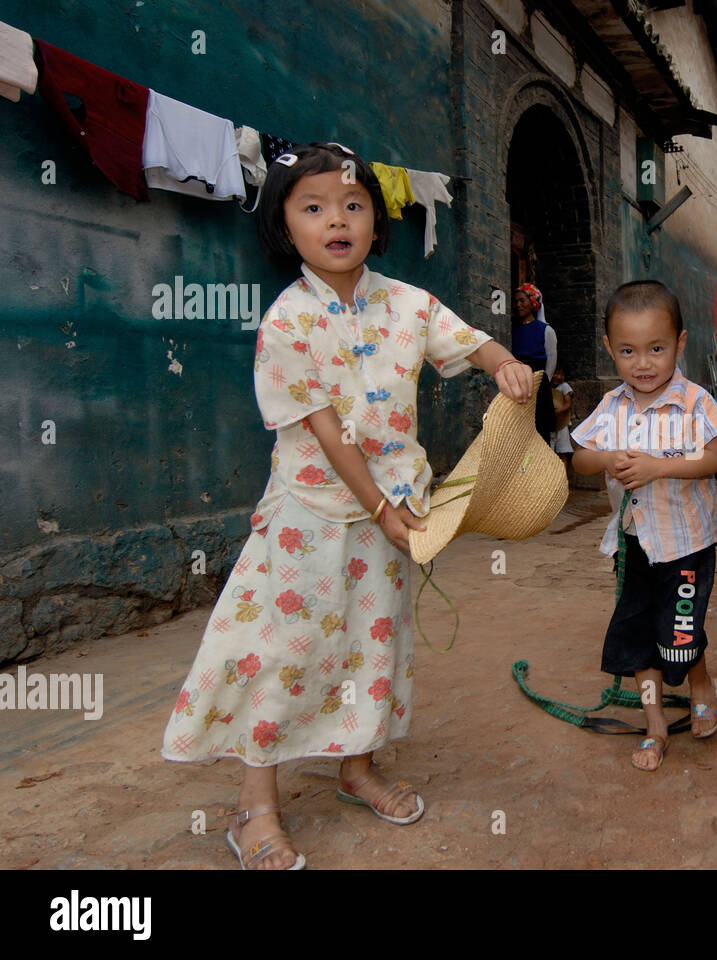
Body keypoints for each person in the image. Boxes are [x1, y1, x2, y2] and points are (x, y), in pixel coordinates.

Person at [160, 142, 533, 869]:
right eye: (314, 207)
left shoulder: (407, 304)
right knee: (282, 654)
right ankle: (255, 808)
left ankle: (357, 769)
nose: (338, 219)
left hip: (393, 511)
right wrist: (382, 510)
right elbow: (327, 433)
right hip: (310, 516)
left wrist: (504, 363)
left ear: (374, 221)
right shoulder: (287, 322)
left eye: (354, 205)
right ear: (285, 227)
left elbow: (471, 339)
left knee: (374, 643)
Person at [570, 281, 717, 772]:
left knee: (679, 635)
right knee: (641, 635)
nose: (643, 363)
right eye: (628, 351)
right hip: (633, 546)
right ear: (610, 349)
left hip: (686, 545)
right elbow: (579, 460)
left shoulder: (694, 402)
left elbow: (715, 459)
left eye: (656, 349)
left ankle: (701, 684)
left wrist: (657, 467)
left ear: (680, 344)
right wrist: (605, 456)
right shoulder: (611, 406)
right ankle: (656, 725)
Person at [511, 282, 557, 439]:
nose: (518, 305)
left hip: (538, 383)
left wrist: (544, 382)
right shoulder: (512, 330)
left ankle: (541, 461)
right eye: (515, 301)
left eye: (522, 301)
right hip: (517, 381)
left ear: (533, 303)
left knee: (540, 427)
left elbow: (551, 358)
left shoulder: (545, 330)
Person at [549, 364, 574, 462]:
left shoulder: (564, 386)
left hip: (562, 423)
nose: (559, 377)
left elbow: (568, 404)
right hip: (550, 424)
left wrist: (557, 411)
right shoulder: (546, 387)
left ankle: (564, 476)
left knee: (562, 451)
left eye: (562, 375)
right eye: (556, 373)